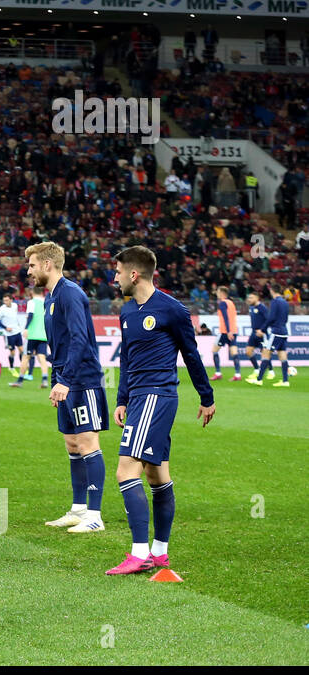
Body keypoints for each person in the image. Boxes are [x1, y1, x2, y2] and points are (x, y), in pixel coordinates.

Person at [108, 246, 215, 575]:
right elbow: (127, 358)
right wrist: (122, 398)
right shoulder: (127, 312)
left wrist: (206, 396)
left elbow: (191, 355)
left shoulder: (172, 310)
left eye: (118, 271)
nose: (115, 278)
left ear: (134, 274)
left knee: (126, 470)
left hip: (157, 396)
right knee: (157, 475)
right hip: (139, 398)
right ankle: (159, 553)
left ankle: (138, 554)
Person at [24, 242, 111, 534]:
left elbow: (79, 339)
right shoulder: (51, 298)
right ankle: (78, 510)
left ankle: (95, 515)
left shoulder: (71, 294)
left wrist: (66, 380)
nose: (29, 271)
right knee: (72, 444)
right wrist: (56, 379)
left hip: (82, 379)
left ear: (48, 265)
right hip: (64, 377)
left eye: (33, 265)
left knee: (88, 442)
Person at [9, 283, 50, 388]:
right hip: (43, 334)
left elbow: (31, 315)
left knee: (25, 357)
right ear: (42, 293)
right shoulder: (46, 302)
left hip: (32, 334)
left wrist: (26, 328)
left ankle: (19, 381)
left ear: (32, 292)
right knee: (42, 358)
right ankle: (45, 380)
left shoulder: (31, 302)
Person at [252, 287, 291, 386]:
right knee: (282, 355)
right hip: (284, 331)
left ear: (272, 291)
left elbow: (271, 317)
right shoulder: (285, 302)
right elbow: (286, 317)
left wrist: (262, 329)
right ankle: (285, 381)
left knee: (266, 353)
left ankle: (259, 379)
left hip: (276, 331)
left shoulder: (275, 301)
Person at [211, 286, 241, 382]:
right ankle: (237, 374)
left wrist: (228, 331)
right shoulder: (231, 303)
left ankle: (218, 373)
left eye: (218, 292)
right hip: (234, 330)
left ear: (222, 293)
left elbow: (225, 318)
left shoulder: (223, 303)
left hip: (225, 332)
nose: (216, 293)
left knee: (214, 351)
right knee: (234, 353)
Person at [0, 292, 24, 378]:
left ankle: (22, 367)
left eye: (7, 300)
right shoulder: (1, 309)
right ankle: (11, 368)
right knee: (12, 352)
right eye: (4, 300)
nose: (5, 302)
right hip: (8, 334)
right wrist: (5, 327)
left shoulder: (15, 306)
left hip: (17, 332)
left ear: (11, 300)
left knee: (22, 350)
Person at [242, 290, 268, 381]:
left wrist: (262, 330)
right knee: (248, 351)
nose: (249, 299)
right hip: (253, 333)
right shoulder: (251, 307)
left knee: (265, 354)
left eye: (251, 297)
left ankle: (271, 371)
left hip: (261, 334)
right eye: (249, 297)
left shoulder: (262, 308)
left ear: (257, 298)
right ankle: (257, 369)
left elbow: (268, 320)